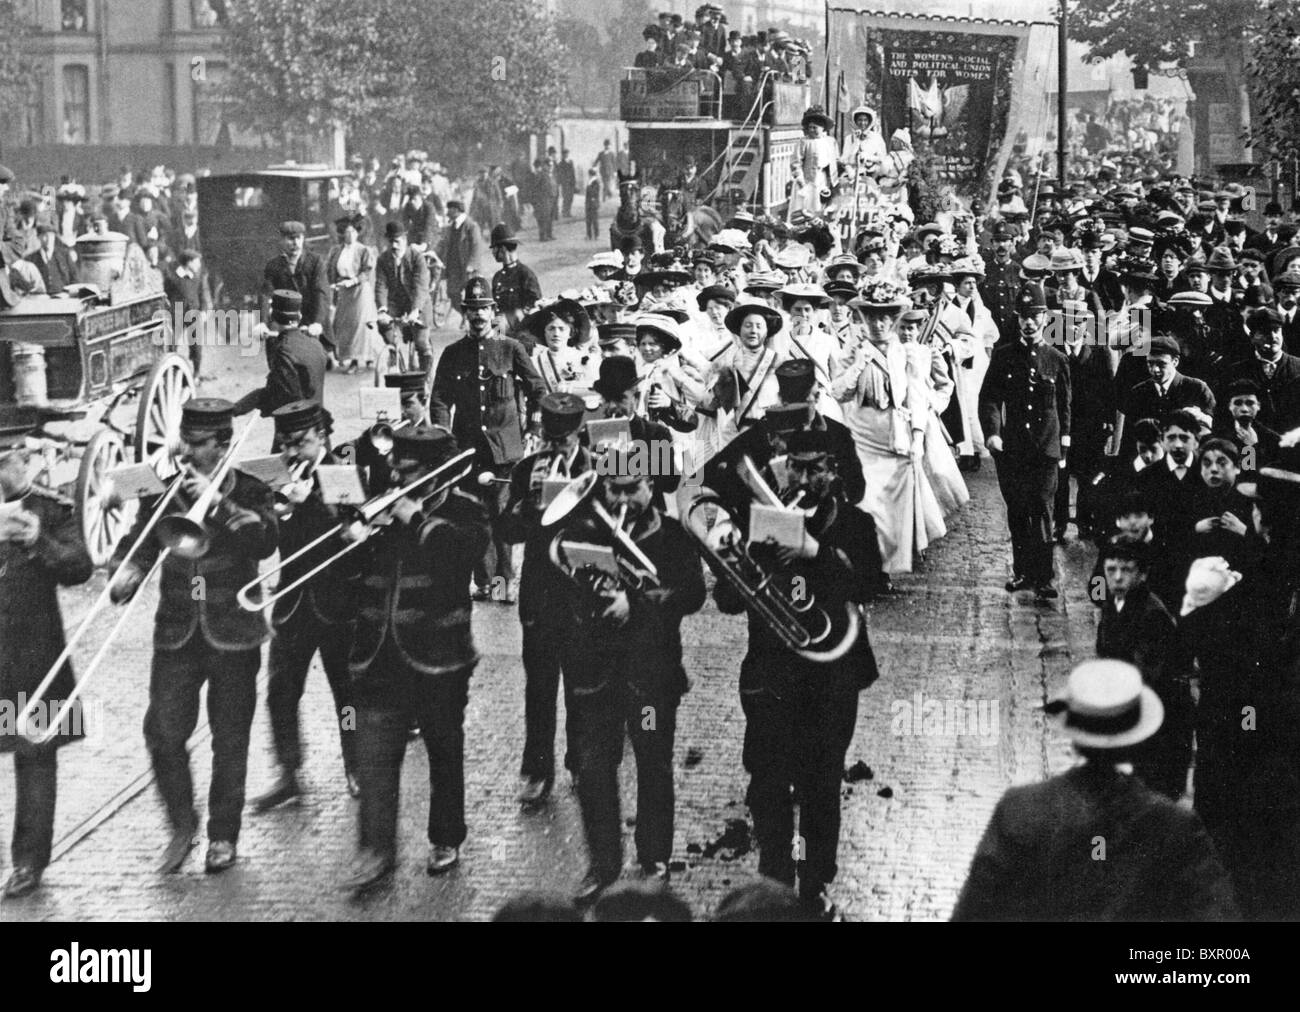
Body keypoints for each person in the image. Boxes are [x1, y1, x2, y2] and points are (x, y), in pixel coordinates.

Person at [703, 427, 882, 919]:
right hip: (771, 674)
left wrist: (814, 553)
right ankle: (775, 875)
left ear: (835, 472)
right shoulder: (762, 522)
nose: (801, 477)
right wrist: (731, 558)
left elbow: (870, 582)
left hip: (831, 677)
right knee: (766, 780)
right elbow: (727, 600)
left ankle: (815, 881)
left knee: (821, 782)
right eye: (793, 466)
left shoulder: (854, 525)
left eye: (814, 468)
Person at [108, 399, 278, 875]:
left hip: (233, 633)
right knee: (162, 734)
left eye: (198, 445)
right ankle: (183, 825)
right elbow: (142, 538)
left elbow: (265, 541)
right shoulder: (165, 489)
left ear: (222, 444)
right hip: (177, 632)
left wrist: (218, 501)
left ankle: (223, 836)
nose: (186, 452)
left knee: (230, 741)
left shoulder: (251, 487)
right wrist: (127, 573)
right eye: (184, 441)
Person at [951, 659, 1238, 921]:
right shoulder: (1174, 827)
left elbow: (974, 912)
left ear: (1074, 736)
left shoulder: (1021, 810)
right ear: (1137, 739)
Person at [339, 427, 490, 892]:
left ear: (436, 471)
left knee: (444, 750)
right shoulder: (382, 503)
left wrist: (416, 516)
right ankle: (375, 851)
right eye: (397, 470)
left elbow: (460, 556)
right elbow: (352, 572)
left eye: (410, 473)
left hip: (438, 656)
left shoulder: (466, 508)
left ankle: (446, 837)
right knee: (376, 753)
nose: (398, 478)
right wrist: (352, 538)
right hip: (378, 653)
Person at [561, 448, 706, 907]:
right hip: (597, 677)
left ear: (650, 487)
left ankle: (653, 859)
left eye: (633, 489)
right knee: (593, 769)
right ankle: (604, 865)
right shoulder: (588, 530)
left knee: (652, 763)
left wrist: (636, 604)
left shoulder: (675, 537)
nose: (623, 499)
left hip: (650, 677)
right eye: (614, 490)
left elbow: (693, 594)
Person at [251, 402, 360, 813]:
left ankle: (355, 764)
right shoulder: (277, 480)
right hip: (293, 603)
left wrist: (310, 500)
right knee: (281, 693)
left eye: (302, 442)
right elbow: (265, 537)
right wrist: (275, 512)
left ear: (323, 437)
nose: (294, 452)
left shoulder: (343, 474)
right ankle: (288, 774)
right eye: (287, 444)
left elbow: (351, 530)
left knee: (347, 697)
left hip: (338, 604)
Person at [0, 436, 94, 898]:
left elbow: (80, 567)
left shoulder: (52, 509)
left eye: (5, 462)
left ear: (28, 461)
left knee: (35, 757)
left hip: (32, 656)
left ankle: (28, 864)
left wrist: (39, 541)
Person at [501, 393, 594, 806]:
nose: (556, 449)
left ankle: (580, 762)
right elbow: (505, 530)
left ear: (578, 434)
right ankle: (538, 770)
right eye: (550, 440)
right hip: (539, 592)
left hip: (581, 591)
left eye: (565, 441)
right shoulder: (525, 469)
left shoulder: (599, 468)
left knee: (581, 685)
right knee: (539, 687)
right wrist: (529, 505)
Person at [429, 278, 546, 602]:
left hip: (505, 450)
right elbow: (438, 398)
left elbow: (538, 390)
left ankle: (504, 584)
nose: (478, 315)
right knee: (473, 516)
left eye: (483, 309)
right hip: (468, 451)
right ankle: (483, 581)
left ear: (493, 311)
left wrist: (534, 430)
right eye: (472, 310)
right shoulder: (453, 354)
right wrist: (443, 437)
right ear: (465, 314)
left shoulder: (511, 349)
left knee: (503, 518)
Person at [839, 283, 944, 577]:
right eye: (870, 317)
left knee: (891, 510)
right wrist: (858, 365)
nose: (877, 324)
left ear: (894, 320)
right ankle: (869, 566)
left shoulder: (907, 353)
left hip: (896, 437)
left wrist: (919, 437)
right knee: (865, 504)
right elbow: (839, 392)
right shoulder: (853, 350)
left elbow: (917, 397)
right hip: (862, 436)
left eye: (884, 317)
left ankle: (885, 566)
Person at [979, 282, 1072, 599]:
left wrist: (1063, 448)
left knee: (1043, 508)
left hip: (1046, 450)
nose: (1029, 322)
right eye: (1023, 316)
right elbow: (989, 398)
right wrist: (993, 432)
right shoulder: (1004, 356)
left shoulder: (1056, 359)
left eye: (1035, 315)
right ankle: (1022, 572)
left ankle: (1045, 576)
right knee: (1018, 510)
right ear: (1017, 319)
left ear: (1045, 317)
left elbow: (1064, 406)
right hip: (1014, 448)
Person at [1094, 537, 1191, 800]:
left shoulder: (1152, 615)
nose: (1117, 578)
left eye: (1126, 570)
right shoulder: (1113, 604)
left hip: (1158, 727)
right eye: (1111, 569)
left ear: (1143, 574)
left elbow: (1145, 677)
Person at [232, 291, 328, 451]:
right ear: (299, 316)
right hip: (319, 428)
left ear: (272, 316)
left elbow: (279, 394)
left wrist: (237, 408)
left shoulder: (283, 350)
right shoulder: (316, 345)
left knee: (274, 472)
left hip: (295, 437)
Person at [262, 221, 332, 354]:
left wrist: (317, 322)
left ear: (303, 239)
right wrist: (263, 323)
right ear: (281, 240)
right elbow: (266, 295)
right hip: (286, 321)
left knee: (313, 361)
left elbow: (321, 292)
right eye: (290, 239)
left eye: (298, 238)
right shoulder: (273, 265)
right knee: (277, 357)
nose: (295, 243)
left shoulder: (315, 261)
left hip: (310, 320)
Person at [374, 221, 433, 374]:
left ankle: (427, 379)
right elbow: (381, 285)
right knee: (383, 324)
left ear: (405, 241)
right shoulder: (383, 259)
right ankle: (394, 351)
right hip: (397, 304)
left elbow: (421, 287)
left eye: (397, 241)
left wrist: (415, 311)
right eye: (390, 241)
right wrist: (382, 309)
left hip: (418, 305)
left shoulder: (417, 258)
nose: (394, 245)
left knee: (421, 344)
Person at [327, 214, 381, 375]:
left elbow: (367, 270)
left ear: (357, 233)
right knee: (343, 325)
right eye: (346, 232)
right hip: (343, 290)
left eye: (352, 232)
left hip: (359, 290)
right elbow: (330, 269)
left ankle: (356, 361)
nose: (349, 235)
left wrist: (353, 281)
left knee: (359, 325)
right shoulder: (336, 250)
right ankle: (347, 356)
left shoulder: (364, 250)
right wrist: (333, 283)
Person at [163, 249, 215, 381]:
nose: (199, 265)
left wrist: (203, 311)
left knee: (196, 344)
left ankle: (196, 372)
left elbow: (202, 294)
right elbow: (165, 296)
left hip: (194, 313)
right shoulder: (172, 278)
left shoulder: (197, 277)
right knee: (172, 343)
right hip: (177, 314)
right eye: (196, 262)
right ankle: (171, 372)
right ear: (188, 262)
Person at [489, 224, 542, 339]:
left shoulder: (526, 274)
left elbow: (535, 306)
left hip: (523, 335)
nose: (492, 252)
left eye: (494, 248)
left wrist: (510, 319)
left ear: (502, 248)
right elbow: (495, 312)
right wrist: (497, 337)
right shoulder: (497, 277)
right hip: (501, 333)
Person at [435, 199, 484, 323]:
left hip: (468, 268)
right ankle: (466, 315)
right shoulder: (450, 227)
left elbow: (476, 246)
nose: (447, 213)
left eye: (449, 210)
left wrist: (472, 265)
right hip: (453, 267)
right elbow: (443, 245)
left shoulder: (471, 226)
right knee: (452, 293)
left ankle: (475, 321)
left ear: (456, 210)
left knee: (472, 296)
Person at [25, 223, 76, 295]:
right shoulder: (30, 259)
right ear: (38, 237)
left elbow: (75, 278)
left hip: (63, 299)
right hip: (39, 300)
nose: (49, 239)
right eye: (45, 235)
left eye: (51, 236)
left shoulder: (64, 256)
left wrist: (69, 294)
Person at [556, 149, 577, 220]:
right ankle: (564, 211)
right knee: (566, 197)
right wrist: (561, 182)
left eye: (567, 153)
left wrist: (574, 181)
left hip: (571, 182)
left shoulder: (571, 162)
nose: (566, 155)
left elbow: (573, 172)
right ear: (563, 155)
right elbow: (560, 174)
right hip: (565, 183)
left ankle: (568, 211)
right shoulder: (561, 163)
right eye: (565, 154)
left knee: (571, 197)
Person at [585, 168, 602, 241]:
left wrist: (588, 186)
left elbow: (593, 193)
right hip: (589, 203)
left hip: (593, 204)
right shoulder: (592, 181)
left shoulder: (595, 182)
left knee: (594, 220)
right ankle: (589, 235)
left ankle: (596, 235)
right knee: (588, 220)